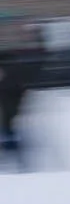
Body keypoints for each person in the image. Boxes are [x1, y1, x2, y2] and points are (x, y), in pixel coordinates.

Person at [0, 16, 45, 171]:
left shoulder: (33, 51)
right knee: (8, 123)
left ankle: (16, 155)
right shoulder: (22, 50)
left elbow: (29, 66)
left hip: (14, 90)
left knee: (9, 122)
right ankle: (13, 153)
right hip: (10, 89)